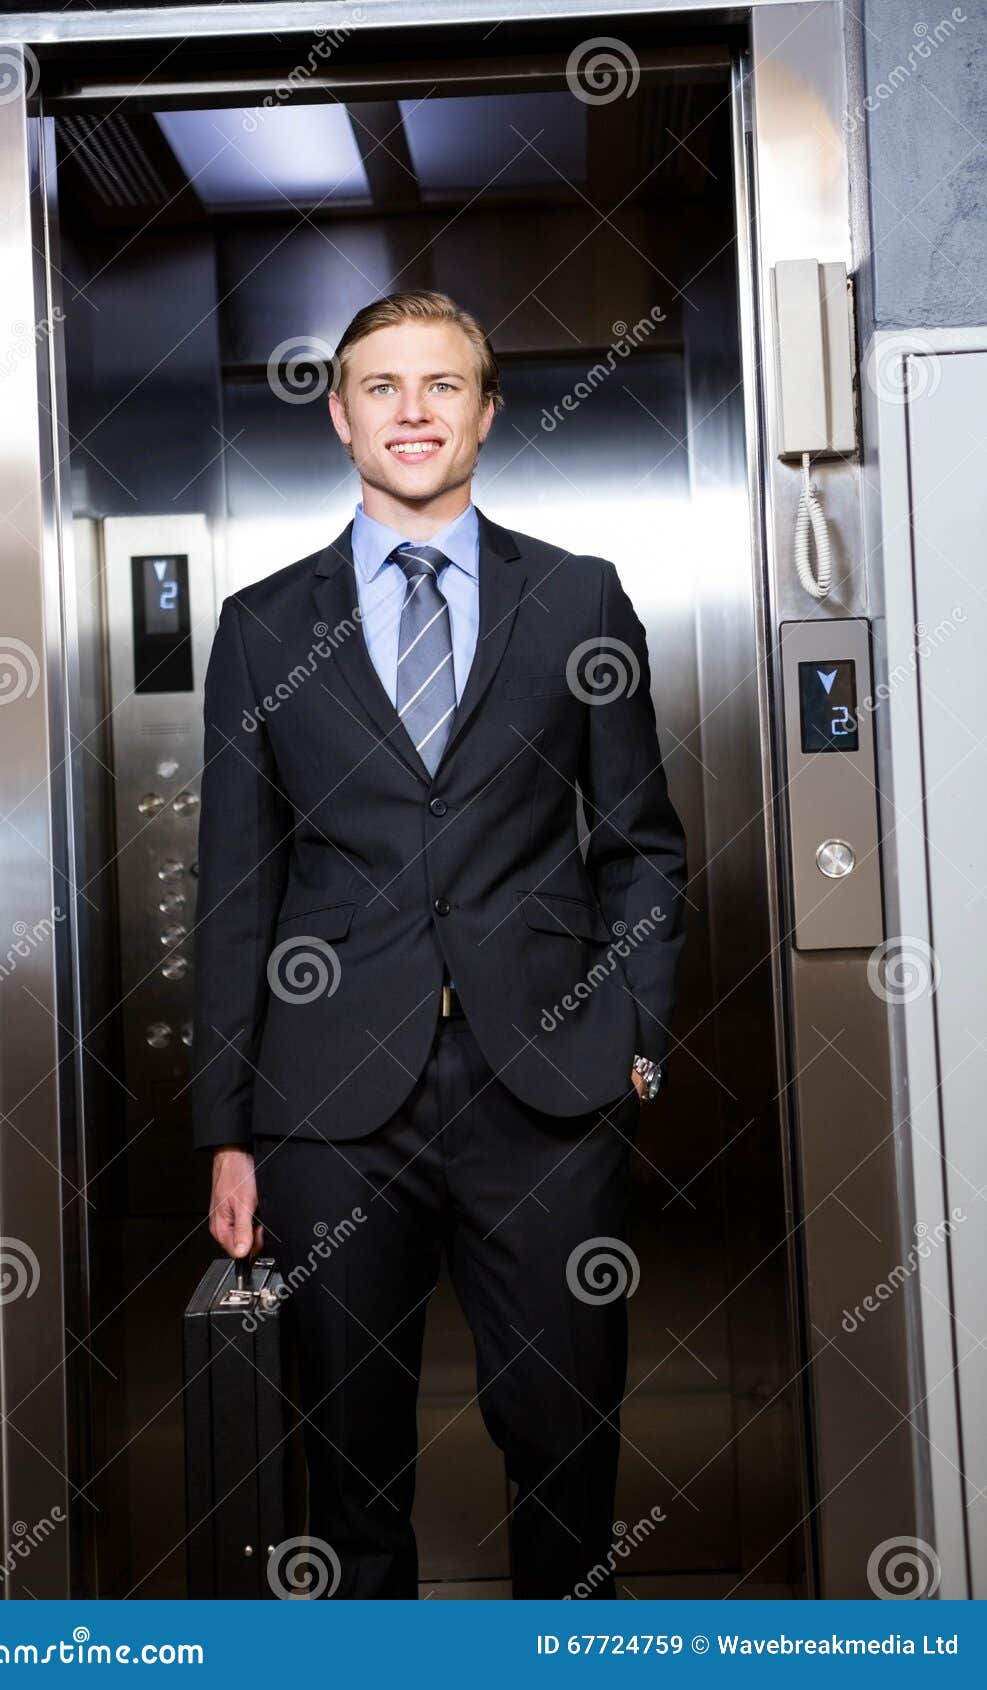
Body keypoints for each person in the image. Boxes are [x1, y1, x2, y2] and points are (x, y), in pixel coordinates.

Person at [193, 289, 687, 1599]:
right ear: (344, 416)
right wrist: (228, 1125)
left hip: (552, 1086)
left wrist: (636, 1033)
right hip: (328, 1104)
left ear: (486, 411)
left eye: (445, 384)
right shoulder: (260, 626)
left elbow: (641, 840)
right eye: (384, 386)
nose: (414, 409)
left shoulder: (579, 598)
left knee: (569, 1453)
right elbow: (235, 886)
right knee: (348, 1467)